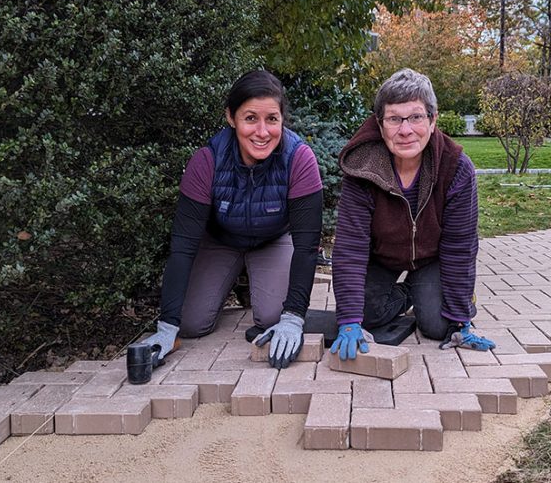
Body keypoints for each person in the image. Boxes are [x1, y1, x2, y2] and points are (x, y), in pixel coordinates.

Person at [143, 70, 323, 369]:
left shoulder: (299, 159)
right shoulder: (207, 161)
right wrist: (167, 326)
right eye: (250, 118)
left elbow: (307, 246)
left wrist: (293, 317)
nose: (262, 132)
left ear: (282, 120)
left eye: (272, 119)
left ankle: (259, 284)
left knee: (273, 318)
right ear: (231, 117)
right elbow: (183, 246)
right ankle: (235, 277)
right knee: (190, 324)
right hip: (221, 239)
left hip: (273, 238)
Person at [330, 68, 494, 360]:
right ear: (380, 125)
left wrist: (460, 319)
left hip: (433, 258)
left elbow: (461, 246)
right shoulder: (361, 169)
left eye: (416, 117)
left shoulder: (455, 168)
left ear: (432, 120)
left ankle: (425, 292)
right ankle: (407, 292)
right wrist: (349, 321)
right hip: (381, 257)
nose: (405, 130)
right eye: (394, 119)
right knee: (364, 313)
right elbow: (350, 248)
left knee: (437, 324)